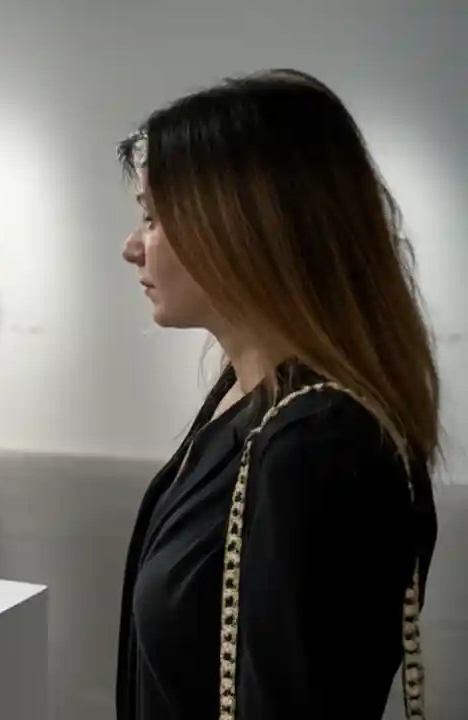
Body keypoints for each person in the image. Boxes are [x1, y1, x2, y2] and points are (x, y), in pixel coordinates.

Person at [114, 69, 439, 719]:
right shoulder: (248, 398)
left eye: (152, 217)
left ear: (239, 225)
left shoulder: (317, 448)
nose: (131, 247)